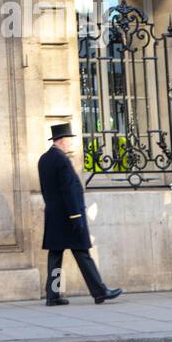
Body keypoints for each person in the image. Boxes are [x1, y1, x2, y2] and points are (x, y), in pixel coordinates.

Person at [38, 122, 122, 306]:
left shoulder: (44, 159)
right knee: (82, 253)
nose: (70, 143)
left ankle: (53, 295)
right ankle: (100, 291)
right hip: (69, 217)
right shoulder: (62, 160)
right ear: (61, 140)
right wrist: (75, 215)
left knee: (55, 255)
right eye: (68, 140)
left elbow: (46, 190)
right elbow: (69, 190)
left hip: (54, 217)